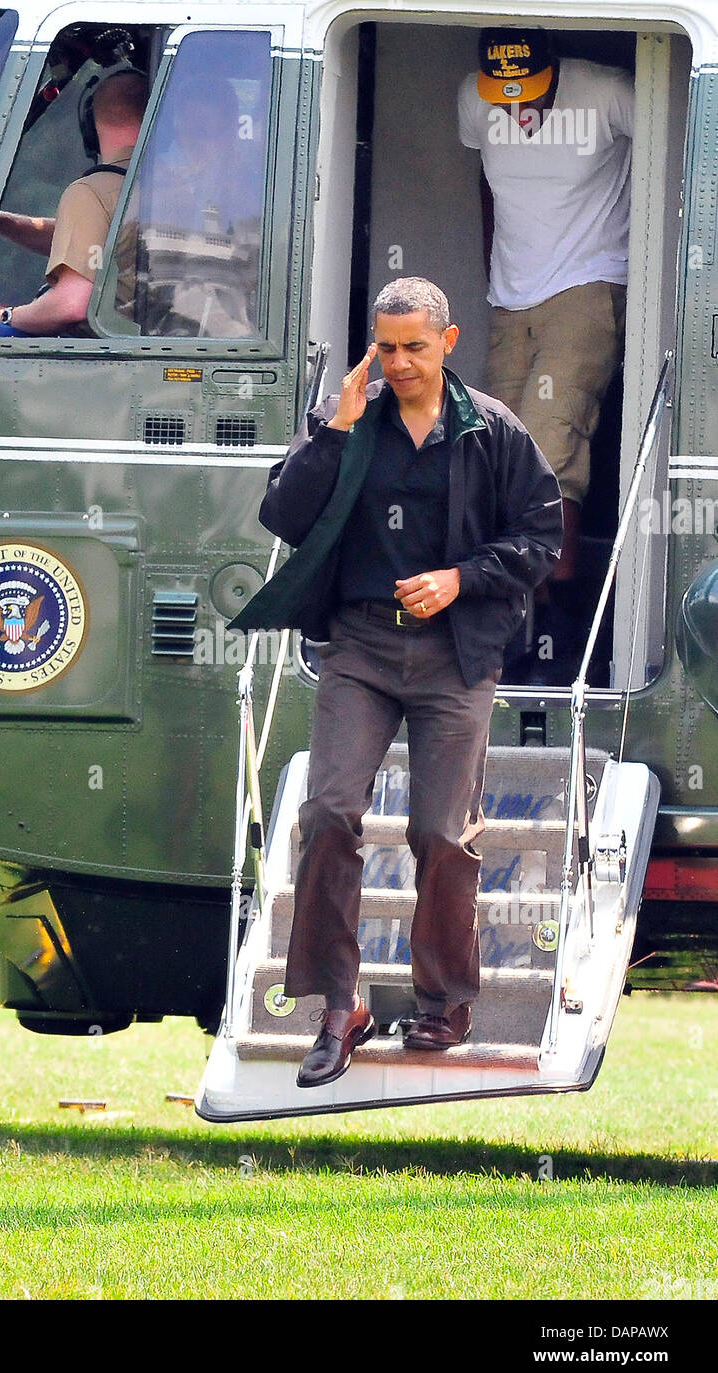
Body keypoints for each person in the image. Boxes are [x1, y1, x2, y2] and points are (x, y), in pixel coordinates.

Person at [230, 278, 562, 1087]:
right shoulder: (351, 422)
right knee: (327, 810)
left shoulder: (492, 429)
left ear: (447, 345)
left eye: (415, 346)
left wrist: (460, 577)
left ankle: (444, 999)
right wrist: (334, 432)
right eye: (386, 347)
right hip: (361, 647)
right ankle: (338, 1006)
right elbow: (282, 516)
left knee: (440, 834)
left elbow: (541, 534)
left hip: (455, 652)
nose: (399, 362)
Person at [458, 28, 633, 678]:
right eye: (499, 96)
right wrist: (491, 272)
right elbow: (487, 184)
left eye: (525, 93)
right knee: (495, 449)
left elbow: (679, 157)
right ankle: (514, 616)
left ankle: (550, 632)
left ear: (553, 67)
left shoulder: (610, 92)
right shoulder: (473, 100)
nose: (511, 108)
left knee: (548, 451)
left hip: (586, 283)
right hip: (511, 294)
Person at [0, 67, 147, 336]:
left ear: (89, 128)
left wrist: (4, 316)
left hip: (107, 353)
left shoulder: (94, 191)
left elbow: (71, 305)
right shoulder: (177, 188)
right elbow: (101, 238)